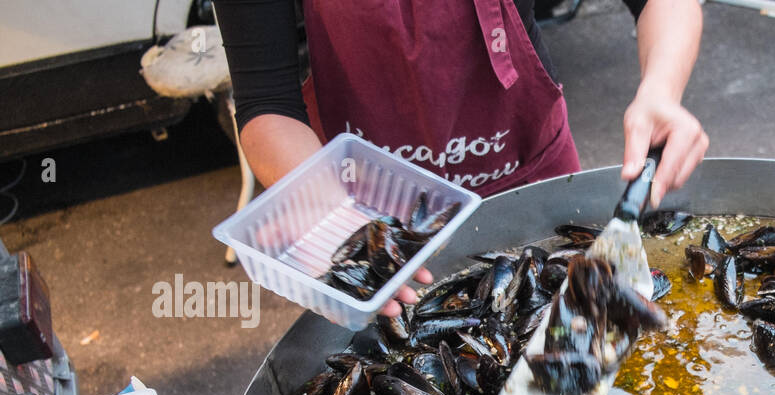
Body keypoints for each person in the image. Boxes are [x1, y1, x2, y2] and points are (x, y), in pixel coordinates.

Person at [213, 0, 709, 315]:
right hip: (371, 214)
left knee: (592, 364)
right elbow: (266, 106)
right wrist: (332, 214)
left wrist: (660, 90)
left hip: (532, 183)